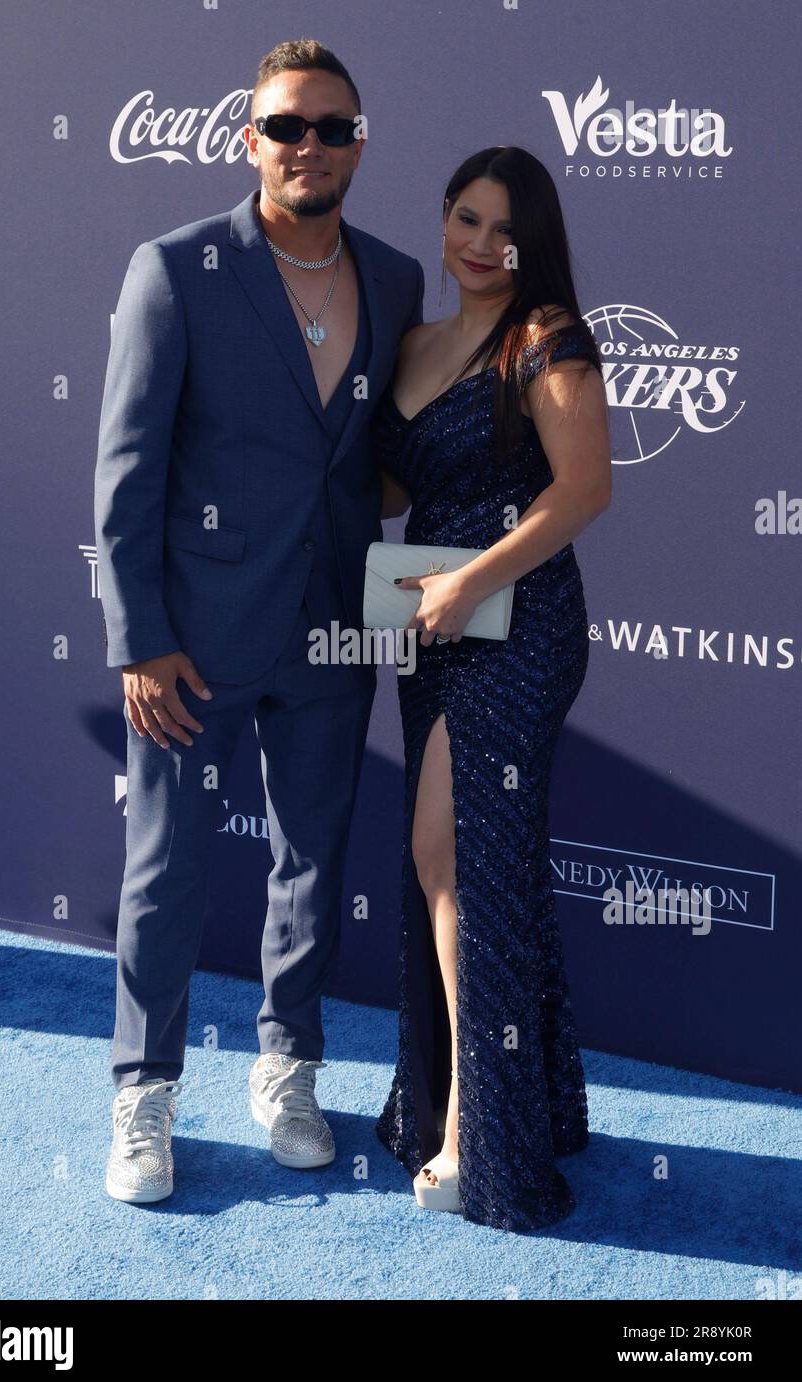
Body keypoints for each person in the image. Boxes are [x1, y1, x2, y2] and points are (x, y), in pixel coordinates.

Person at [94, 39, 423, 1202]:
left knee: (311, 862)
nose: (310, 147)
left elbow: (386, 457)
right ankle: (145, 1090)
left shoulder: (394, 280)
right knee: (169, 866)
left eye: (334, 127)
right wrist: (136, 635)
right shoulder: (175, 269)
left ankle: (288, 1064)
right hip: (194, 632)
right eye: (287, 127)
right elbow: (127, 468)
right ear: (251, 139)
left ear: (359, 143)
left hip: (331, 628)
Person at [370, 146, 611, 1231]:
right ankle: (531, 1099)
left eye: (501, 229)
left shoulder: (546, 336)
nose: (477, 243)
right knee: (471, 861)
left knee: (452, 854)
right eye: (463, 218)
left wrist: (470, 577)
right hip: (427, 624)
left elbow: (583, 489)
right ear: (442, 218)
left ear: (531, 239)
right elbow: (385, 483)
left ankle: (477, 1131)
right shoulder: (416, 341)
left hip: (519, 624)